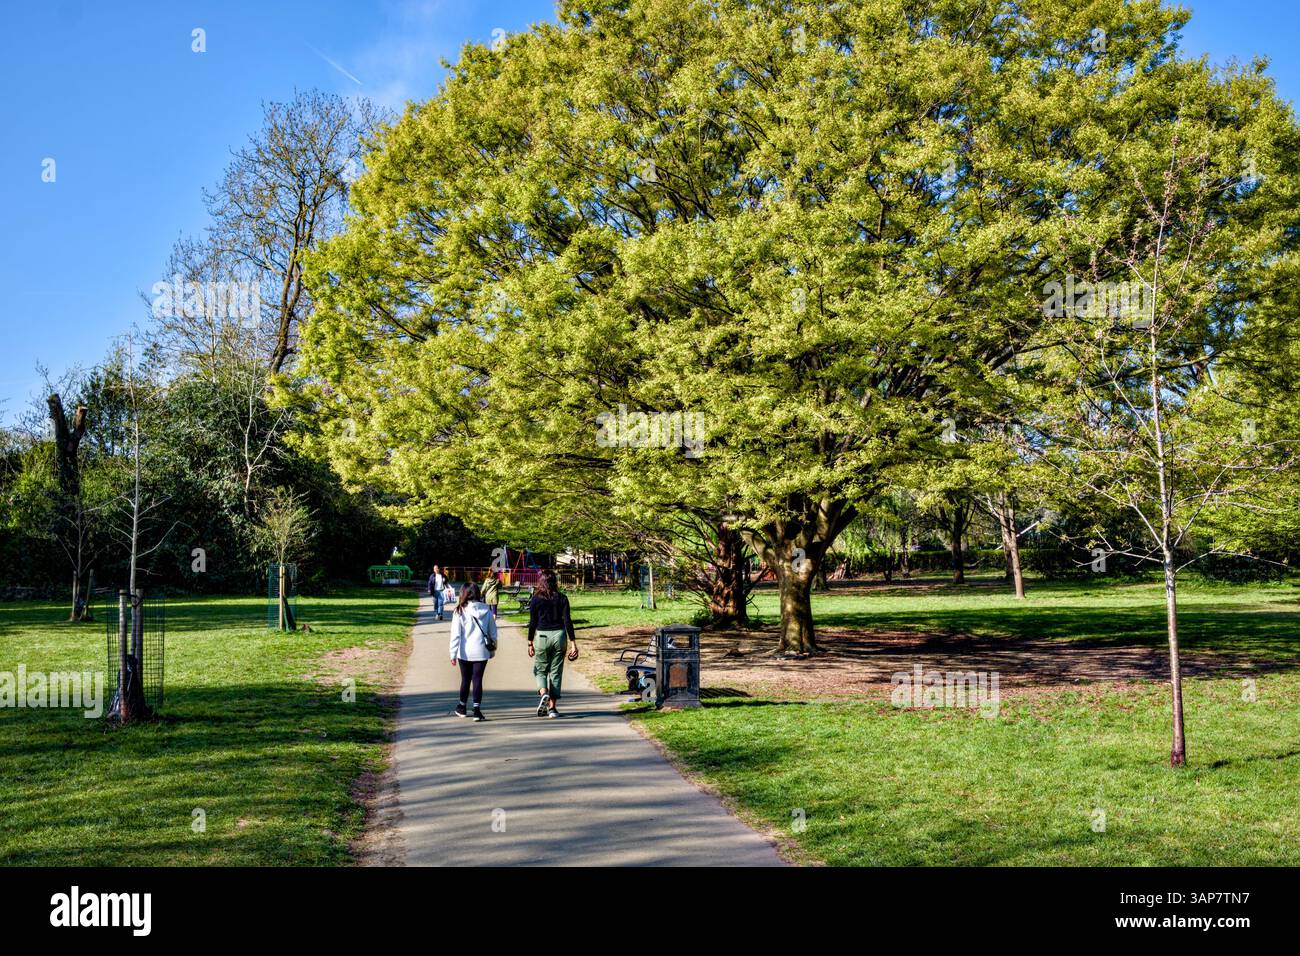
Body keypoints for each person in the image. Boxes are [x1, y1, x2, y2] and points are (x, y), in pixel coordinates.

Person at [527, 569, 578, 718]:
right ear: (555, 582)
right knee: (556, 672)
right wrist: (573, 643)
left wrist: (530, 642)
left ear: (540, 582)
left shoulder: (536, 599)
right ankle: (552, 709)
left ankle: (544, 692)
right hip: (559, 636)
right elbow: (568, 621)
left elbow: (532, 623)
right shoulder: (562, 598)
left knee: (540, 669)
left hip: (542, 636)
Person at [448, 582, 497, 721]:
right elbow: (493, 633)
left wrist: (452, 653)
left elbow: (455, 635)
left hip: (464, 651)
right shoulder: (486, 610)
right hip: (482, 651)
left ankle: (462, 707)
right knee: (477, 679)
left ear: (463, 594)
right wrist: (492, 650)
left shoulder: (459, 611)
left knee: (465, 679)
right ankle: (476, 710)